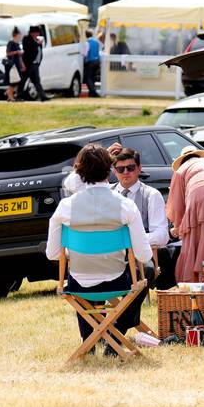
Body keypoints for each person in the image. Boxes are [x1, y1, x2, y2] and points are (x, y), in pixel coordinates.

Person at [46, 144, 153, 351]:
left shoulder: (66, 207)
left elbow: (52, 254)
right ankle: (113, 338)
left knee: (80, 278)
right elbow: (143, 253)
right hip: (117, 279)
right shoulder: (125, 205)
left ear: (80, 171)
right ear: (110, 169)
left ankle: (90, 341)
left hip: (79, 283)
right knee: (143, 274)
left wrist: (79, 250)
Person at [109, 145, 171, 289]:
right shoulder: (106, 193)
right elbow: (77, 184)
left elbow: (162, 235)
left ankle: (129, 307)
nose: (126, 172)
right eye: (120, 169)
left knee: (146, 271)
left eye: (130, 168)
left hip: (139, 254)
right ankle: (98, 310)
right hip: (109, 255)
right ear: (114, 171)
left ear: (139, 168)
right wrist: (105, 156)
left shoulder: (151, 194)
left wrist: (130, 241)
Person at [167, 146, 204, 283]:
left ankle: (199, 284)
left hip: (196, 200)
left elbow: (176, 206)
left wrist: (178, 227)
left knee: (194, 243)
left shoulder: (181, 170)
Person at [22, 27, 47, 101]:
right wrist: (36, 43)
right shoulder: (27, 39)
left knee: (37, 81)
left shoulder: (37, 40)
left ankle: (43, 96)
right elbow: (27, 48)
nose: (38, 34)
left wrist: (39, 43)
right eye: (36, 33)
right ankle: (19, 95)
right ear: (32, 33)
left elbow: (39, 51)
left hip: (36, 64)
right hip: (28, 63)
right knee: (23, 80)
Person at [3, 27, 25, 102]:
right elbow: (8, 53)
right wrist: (17, 52)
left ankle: (9, 94)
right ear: (16, 35)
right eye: (19, 35)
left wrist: (23, 65)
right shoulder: (11, 43)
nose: (20, 37)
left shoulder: (17, 44)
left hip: (17, 64)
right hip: (12, 65)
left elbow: (20, 57)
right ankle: (10, 95)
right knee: (14, 81)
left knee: (16, 81)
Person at [83, 30, 100, 98]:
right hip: (97, 61)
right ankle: (91, 94)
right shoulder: (96, 42)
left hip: (90, 61)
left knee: (88, 77)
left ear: (86, 35)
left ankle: (93, 91)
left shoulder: (87, 43)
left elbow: (85, 53)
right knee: (93, 77)